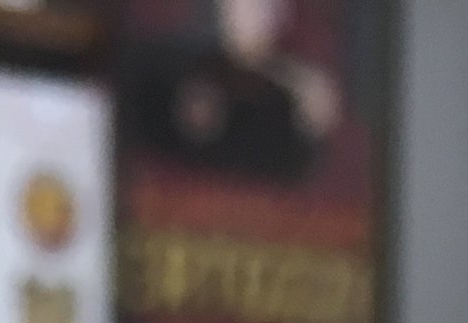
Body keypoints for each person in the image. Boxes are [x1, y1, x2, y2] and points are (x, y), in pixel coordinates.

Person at [120, 0, 344, 186]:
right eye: (250, 6)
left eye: (268, 8)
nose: (261, 16)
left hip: (249, 216)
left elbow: (299, 168)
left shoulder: (292, 88)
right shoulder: (168, 55)